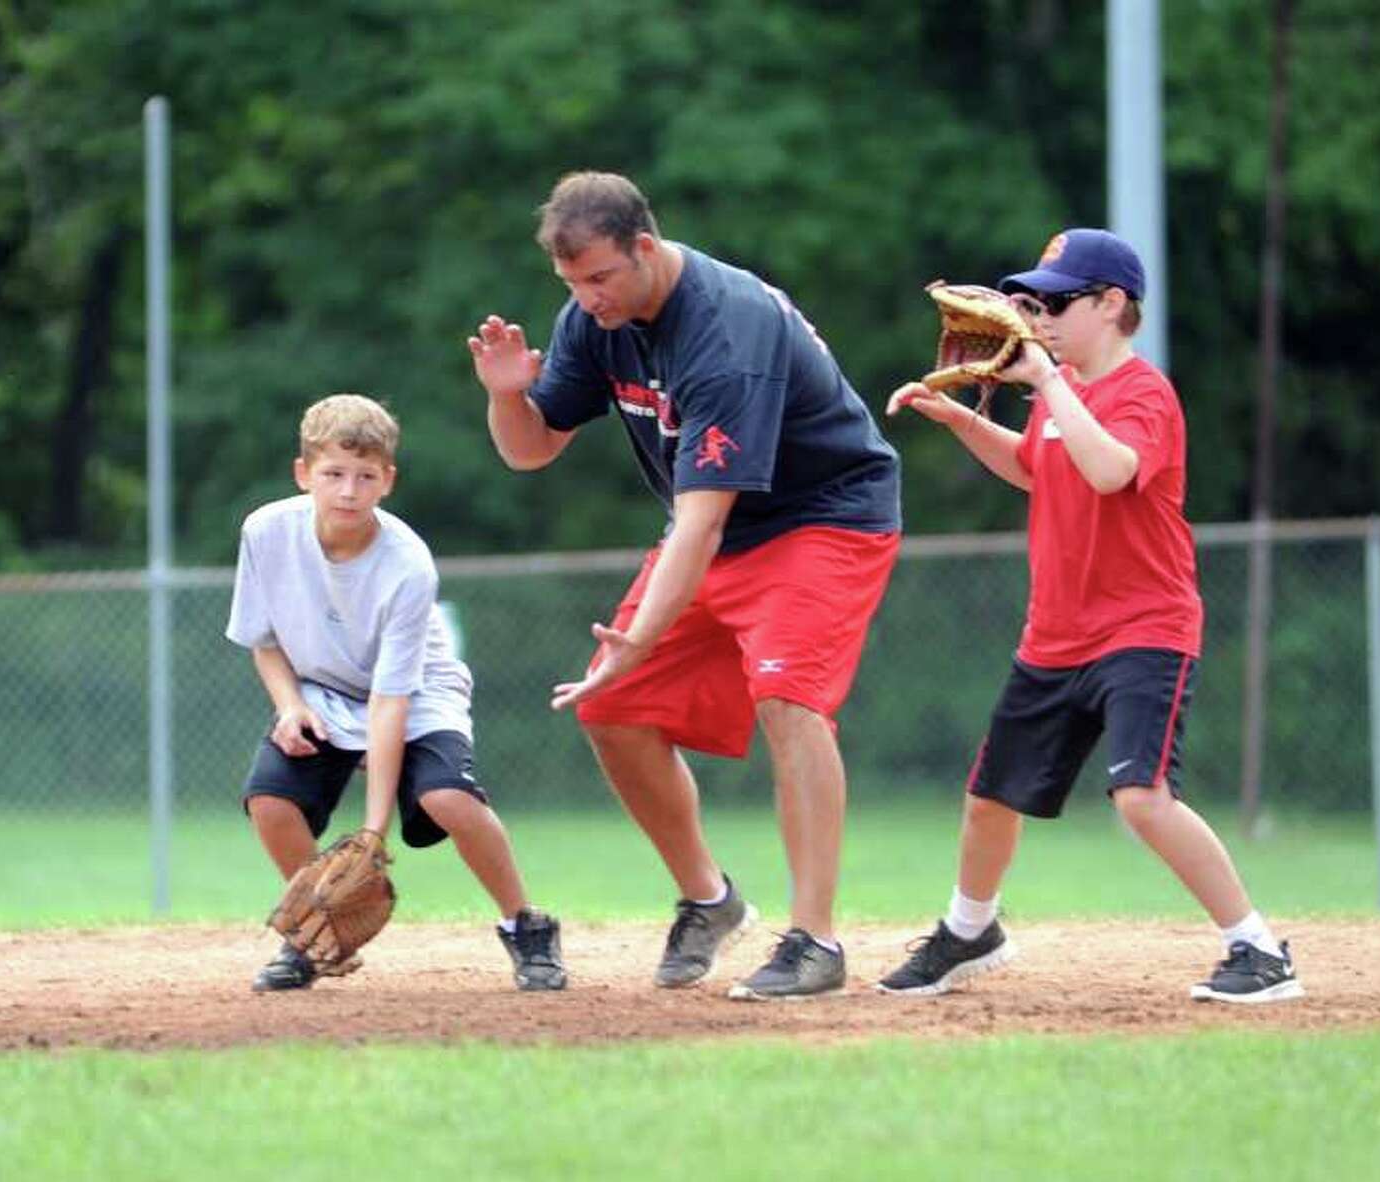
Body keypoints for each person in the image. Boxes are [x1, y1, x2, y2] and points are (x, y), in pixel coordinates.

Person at [466, 171, 902, 1000]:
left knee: (789, 699)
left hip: (821, 518)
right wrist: (506, 397)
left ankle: (815, 941)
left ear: (645, 246)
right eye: (571, 284)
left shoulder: (724, 333)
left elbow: (701, 522)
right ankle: (710, 899)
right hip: (717, 528)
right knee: (611, 709)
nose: (586, 298)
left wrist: (638, 638)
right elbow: (531, 449)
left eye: (599, 277)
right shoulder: (599, 320)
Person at [879, 228, 1302, 1004]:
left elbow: (1109, 470)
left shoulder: (1142, 392)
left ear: (1112, 305)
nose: (1034, 318)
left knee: (1142, 797)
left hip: (1144, 627)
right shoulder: (1061, 395)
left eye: (1055, 302)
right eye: (1029, 302)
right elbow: (1040, 469)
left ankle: (1258, 949)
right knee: (989, 798)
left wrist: (1047, 384)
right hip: (1057, 632)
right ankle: (971, 930)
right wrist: (964, 422)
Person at [225, 394, 567, 994]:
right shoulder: (266, 532)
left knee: (448, 801)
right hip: (323, 690)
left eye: (365, 476)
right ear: (303, 474)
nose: (349, 491)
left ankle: (525, 925)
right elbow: (263, 639)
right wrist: (290, 706)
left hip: (417, 691)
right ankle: (313, 930)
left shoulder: (406, 563)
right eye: (333, 474)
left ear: (388, 480)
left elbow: (391, 703)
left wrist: (373, 832)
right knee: (270, 802)